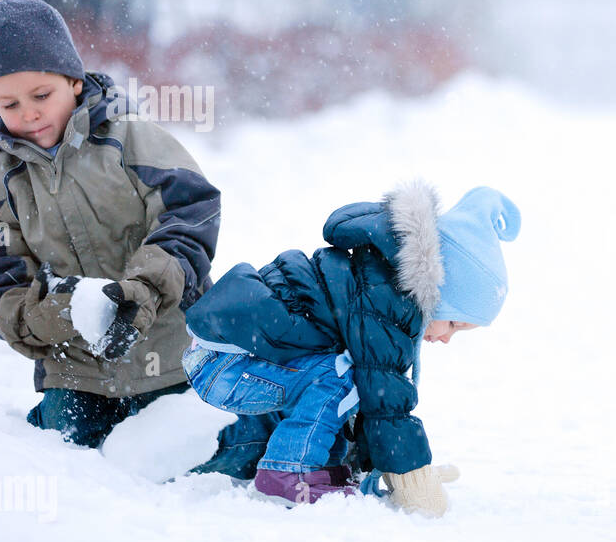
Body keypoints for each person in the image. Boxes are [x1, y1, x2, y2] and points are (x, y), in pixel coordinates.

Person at [0, 0, 220, 448]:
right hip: (75, 366)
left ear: (74, 82)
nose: (29, 113)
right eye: (9, 104)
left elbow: (190, 213)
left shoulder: (130, 140)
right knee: (63, 455)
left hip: (171, 350)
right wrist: (44, 318)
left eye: (41, 95)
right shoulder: (1, 184)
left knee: (194, 450)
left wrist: (143, 291)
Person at [182, 183, 519, 516]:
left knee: (342, 375)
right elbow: (385, 403)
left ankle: (317, 468)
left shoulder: (379, 280)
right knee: (341, 374)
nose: (447, 338)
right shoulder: (387, 300)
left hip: (229, 357)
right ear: (440, 293)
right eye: (455, 324)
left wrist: (364, 468)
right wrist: (412, 476)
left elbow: (369, 399)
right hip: (225, 363)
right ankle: (287, 473)